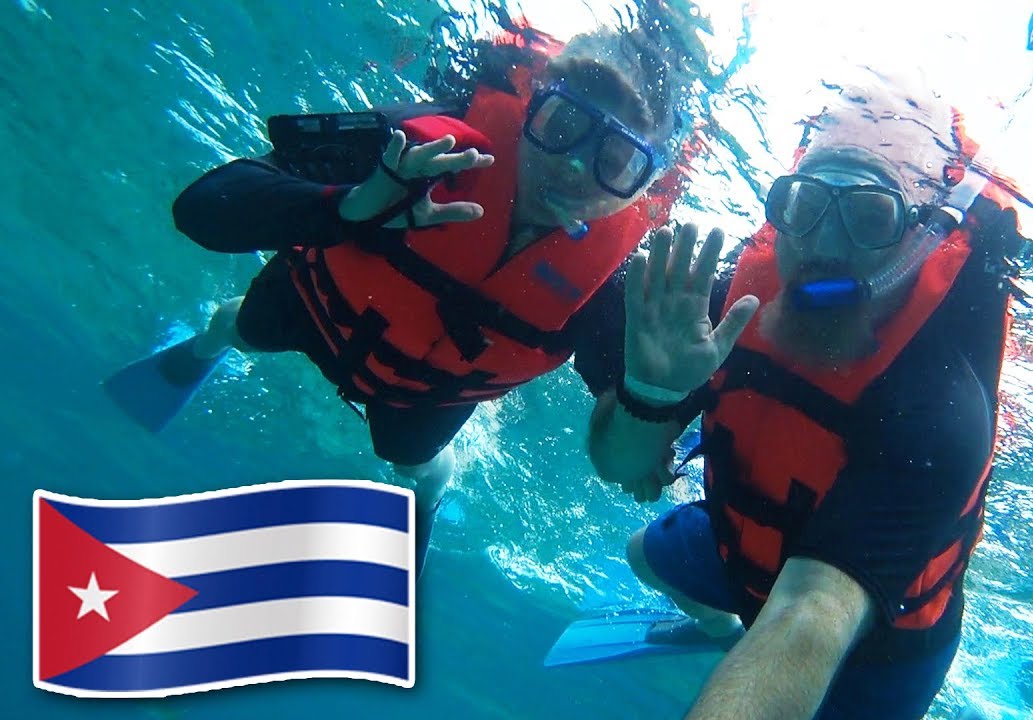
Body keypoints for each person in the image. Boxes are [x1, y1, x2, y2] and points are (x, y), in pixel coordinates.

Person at [104, 25, 685, 553]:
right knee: (238, 327)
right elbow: (202, 208)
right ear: (533, 102)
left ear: (644, 189)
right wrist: (350, 206)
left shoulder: (615, 285)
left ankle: (430, 498)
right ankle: (202, 349)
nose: (577, 169)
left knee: (415, 461)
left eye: (615, 160)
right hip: (311, 303)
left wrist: (652, 396)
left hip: (425, 397)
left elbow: (618, 465)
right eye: (562, 126)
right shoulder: (423, 149)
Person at [581, 72, 1028, 719]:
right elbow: (618, 466)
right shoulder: (721, 311)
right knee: (644, 557)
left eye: (870, 216)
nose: (827, 244)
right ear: (779, 214)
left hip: (877, 648)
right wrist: (651, 393)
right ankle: (722, 634)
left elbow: (809, 614)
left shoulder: (939, 406)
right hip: (745, 561)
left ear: (920, 235)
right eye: (805, 207)